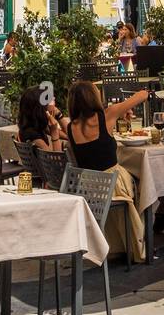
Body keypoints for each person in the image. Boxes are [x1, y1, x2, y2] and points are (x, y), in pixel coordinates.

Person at [60, 81, 150, 261]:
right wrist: (122, 107)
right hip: (112, 183)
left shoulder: (71, 127)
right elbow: (142, 95)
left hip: (87, 185)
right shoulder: (106, 116)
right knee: (145, 182)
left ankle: (114, 244)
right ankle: (141, 240)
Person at [16, 86, 64, 153]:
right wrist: (54, 134)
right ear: (42, 107)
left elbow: (69, 135)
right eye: (50, 99)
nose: (54, 98)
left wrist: (58, 115)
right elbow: (56, 161)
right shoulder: (34, 137)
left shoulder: (34, 127)